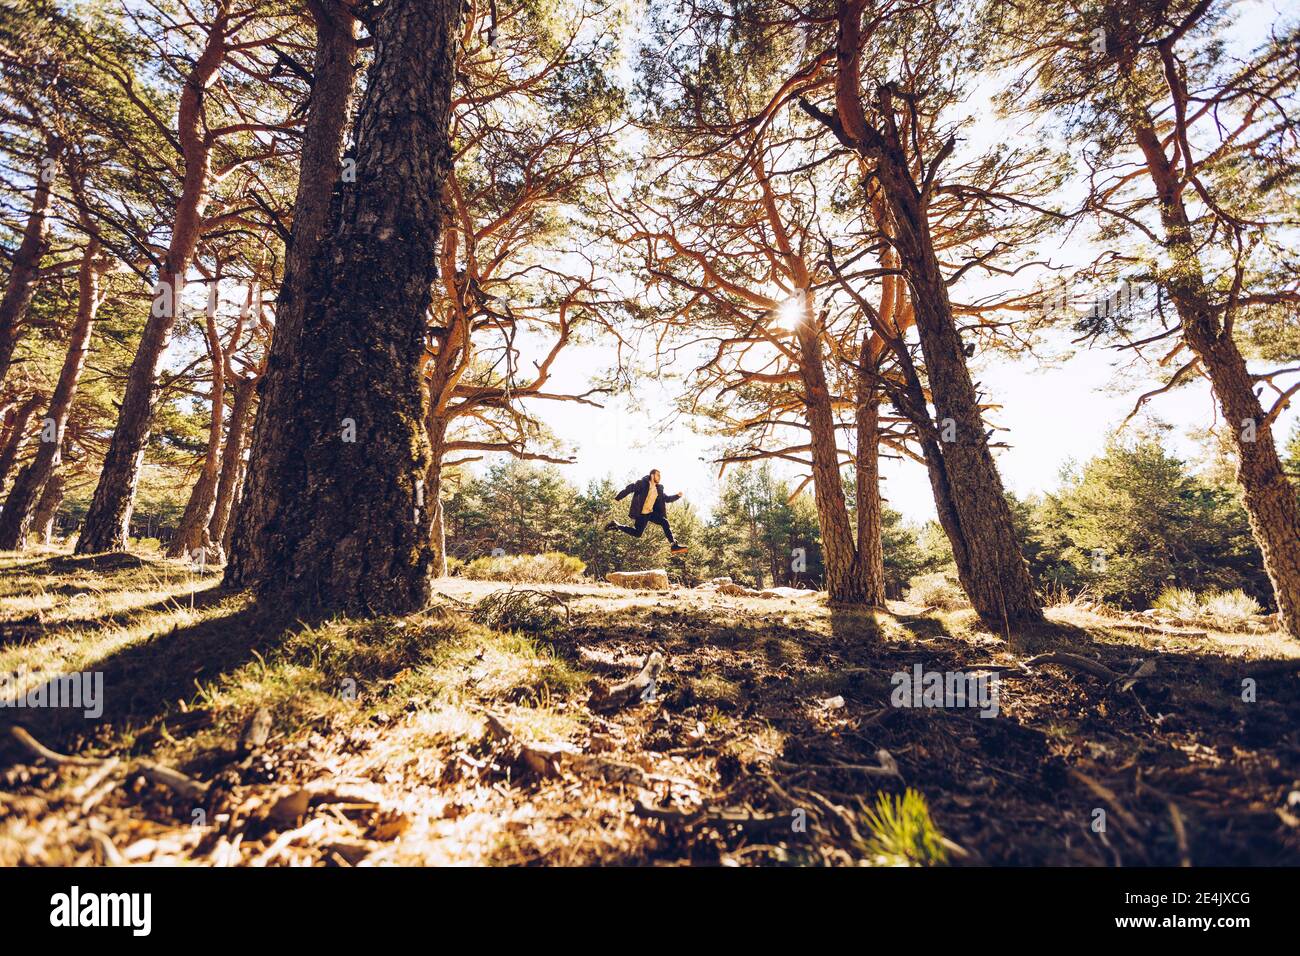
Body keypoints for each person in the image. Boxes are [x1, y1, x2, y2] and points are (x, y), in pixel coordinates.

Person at [606, 469, 688, 553]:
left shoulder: (658, 489)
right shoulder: (642, 483)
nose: (660, 477)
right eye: (658, 475)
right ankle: (616, 525)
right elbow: (629, 488)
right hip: (641, 514)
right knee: (638, 533)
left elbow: (667, 499)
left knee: (664, 522)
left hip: (650, 513)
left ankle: (673, 545)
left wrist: (677, 496)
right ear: (652, 475)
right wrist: (617, 498)